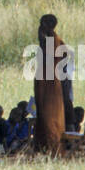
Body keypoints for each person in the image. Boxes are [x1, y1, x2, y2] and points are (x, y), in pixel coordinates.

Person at [32, 14, 67, 154]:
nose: (39, 27)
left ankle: (53, 147)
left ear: (48, 25)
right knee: (42, 115)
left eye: (42, 24)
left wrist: (41, 39)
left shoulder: (53, 41)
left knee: (49, 117)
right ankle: (42, 147)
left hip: (50, 84)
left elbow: (48, 60)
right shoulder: (50, 40)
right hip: (46, 82)